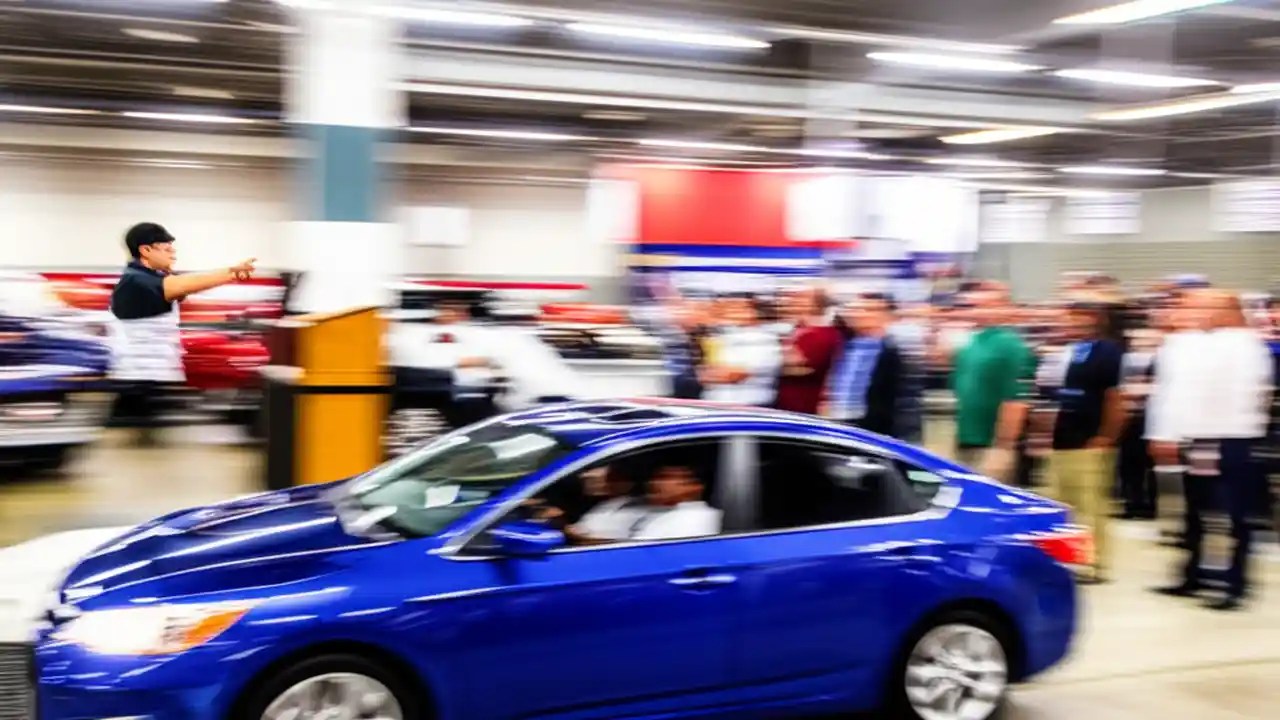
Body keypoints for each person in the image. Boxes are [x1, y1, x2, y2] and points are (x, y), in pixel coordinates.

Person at [1154, 291, 1272, 610]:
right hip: (1201, 438)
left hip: (1232, 439)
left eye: (1204, 307)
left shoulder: (1246, 346)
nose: (1196, 313)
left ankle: (1236, 583)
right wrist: (1173, 433)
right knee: (1196, 512)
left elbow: (1241, 396)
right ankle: (1193, 574)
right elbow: (1182, 389)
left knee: (1235, 515)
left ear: (1228, 311)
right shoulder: (1202, 343)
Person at [108, 222, 255, 444]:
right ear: (145, 250)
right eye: (166, 248)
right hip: (139, 380)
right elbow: (180, 286)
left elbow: (180, 286)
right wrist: (230, 273)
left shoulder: (147, 277)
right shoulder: (136, 281)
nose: (173, 252)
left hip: (148, 378)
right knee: (136, 447)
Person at [1043, 297, 1127, 583]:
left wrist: (1106, 435)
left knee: (1091, 505)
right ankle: (1065, 558)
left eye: (1081, 316)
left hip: (1091, 439)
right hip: (1063, 437)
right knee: (1064, 502)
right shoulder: (1070, 351)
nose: (1073, 322)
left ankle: (1093, 563)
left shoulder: (1109, 352)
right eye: (1070, 316)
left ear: (1096, 319)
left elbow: (1115, 397)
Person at [949, 286, 1037, 480]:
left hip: (993, 445)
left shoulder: (1011, 345)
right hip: (966, 438)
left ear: (1004, 308)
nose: (979, 311)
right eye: (973, 305)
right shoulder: (969, 343)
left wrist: (1003, 447)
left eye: (987, 305)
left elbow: (1016, 400)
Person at [821, 293, 905, 437]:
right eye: (856, 309)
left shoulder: (892, 351)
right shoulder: (845, 345)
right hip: (838, 422)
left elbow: (898, 402)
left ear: (886, 316)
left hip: (872, 430)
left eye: (869, 310)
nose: (859, 314)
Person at [699, 295, 782, 406]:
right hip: (717, 406)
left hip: (750, 407)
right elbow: (703, 375)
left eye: (737, 308)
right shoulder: (727, 336)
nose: (730, 312)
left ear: (752, 311)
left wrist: (715, 374)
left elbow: (734, 375)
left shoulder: (763, 339)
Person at [775, 286, 842, 415]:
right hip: (783, 404)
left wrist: (774, 364)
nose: (792, 300)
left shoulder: (824, 334)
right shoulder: (795, 330)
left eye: (801, 297)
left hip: (804, 406)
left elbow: (806, 369)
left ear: (817, 303)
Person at [628, 465, 722, 541]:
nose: (656, 483)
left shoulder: (697, 518)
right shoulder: (663, 512)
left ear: (695, 486)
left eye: (667, 478)